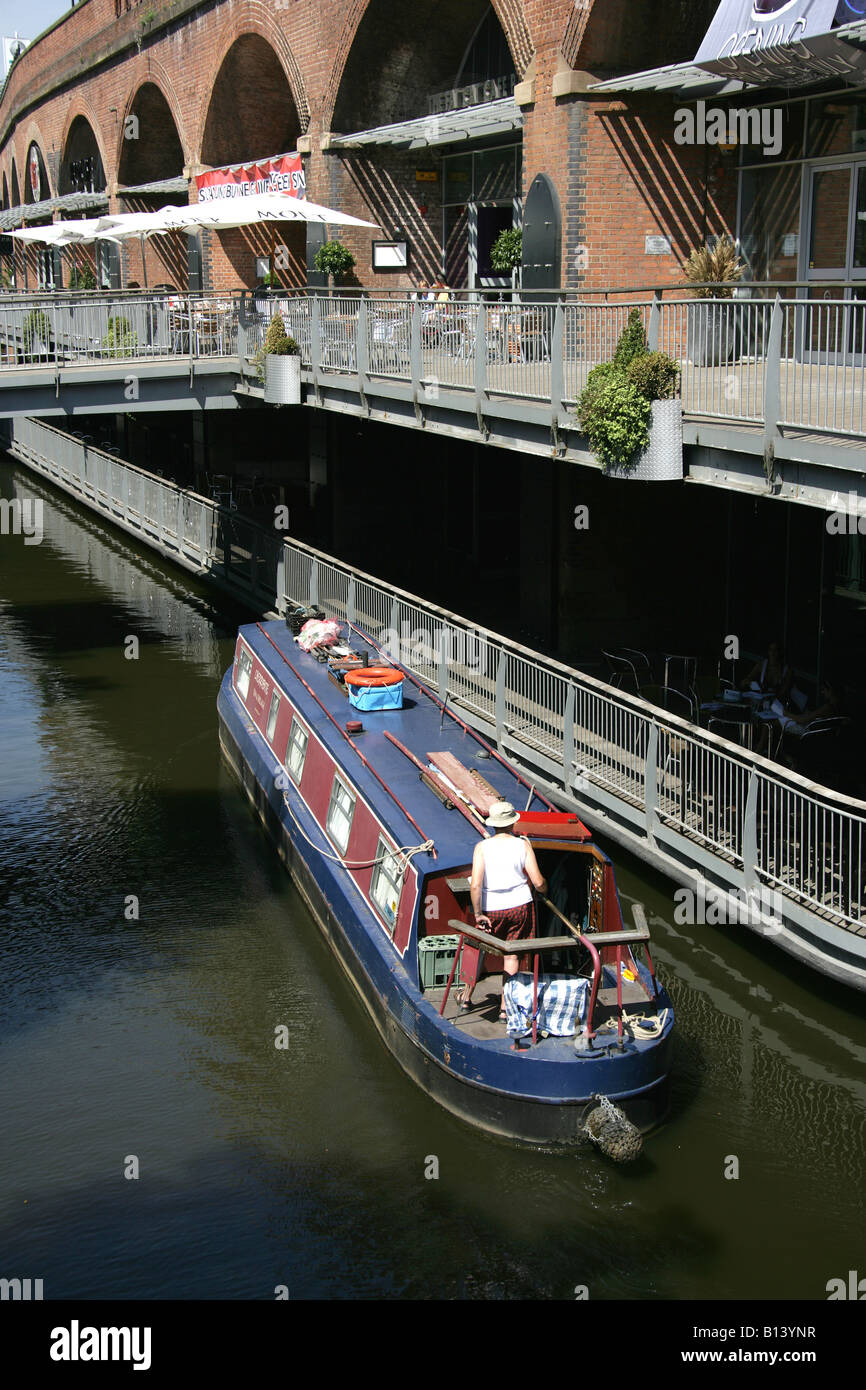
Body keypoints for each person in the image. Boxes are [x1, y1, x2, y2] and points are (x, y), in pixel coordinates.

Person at [463, 801, 547, 1020]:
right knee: (511, 956)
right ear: (513, 823)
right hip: (520, 907)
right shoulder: (523, 845)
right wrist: (545, 889)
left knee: (478, 947)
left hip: (492, 909)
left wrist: (478, 913)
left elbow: (476, 885)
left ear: (493, 825)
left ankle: (465, 997)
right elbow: (537, 882)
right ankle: (504, 1008)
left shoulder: (482, 847)